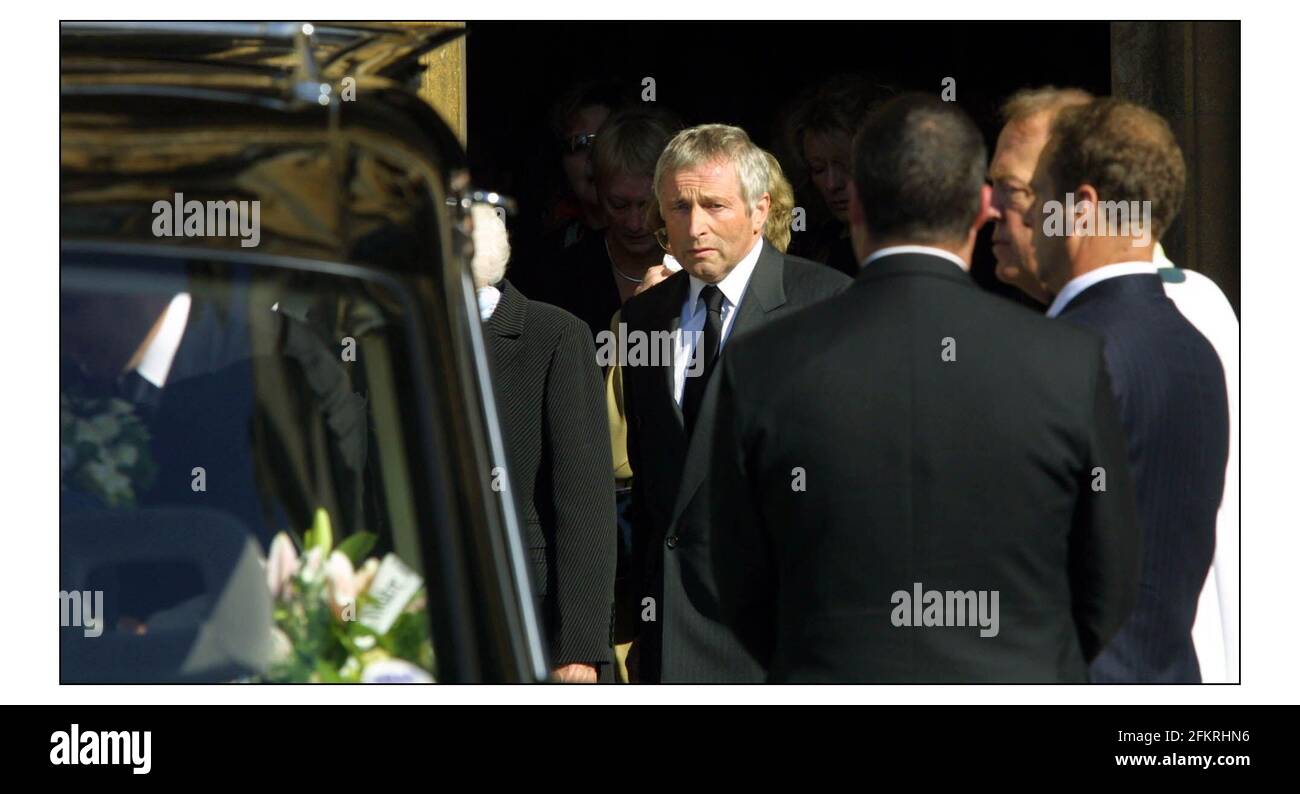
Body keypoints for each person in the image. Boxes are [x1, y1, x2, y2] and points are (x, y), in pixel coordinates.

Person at [708, 94, 1141, 683]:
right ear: (981, 207)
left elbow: (737, 580)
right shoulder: (1068, 360)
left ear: (855, 204)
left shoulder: (761, 363)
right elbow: (1109, 583)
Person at [988, 86, 1240, 681]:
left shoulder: (1066, 355)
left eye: (1023, 191)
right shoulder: (1188, 341)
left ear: (1080, 205)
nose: (995, 209)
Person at [619, 124, 851, 682]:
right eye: (678, 207)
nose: (694, 226)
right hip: (667, 642)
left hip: (773, 647)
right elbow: (651, 493)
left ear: (759, 209)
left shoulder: (828, 306)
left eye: (714, 205)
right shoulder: (641, 319)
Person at [471, 204, 618, 683]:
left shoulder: (553, 335)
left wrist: (577, 647)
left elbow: (585, 502)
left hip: (529, 615)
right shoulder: (391, 339)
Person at [534, 107, 684, 344]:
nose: (635, 223)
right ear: (597, 191)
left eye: (647, 205)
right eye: (619, 205)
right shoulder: (563, 277)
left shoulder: (698, 270)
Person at [786, 75, 890, 277]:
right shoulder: (814, 247)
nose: (832, 184)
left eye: (847, 166)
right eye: (818, 169)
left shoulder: (916, 243)